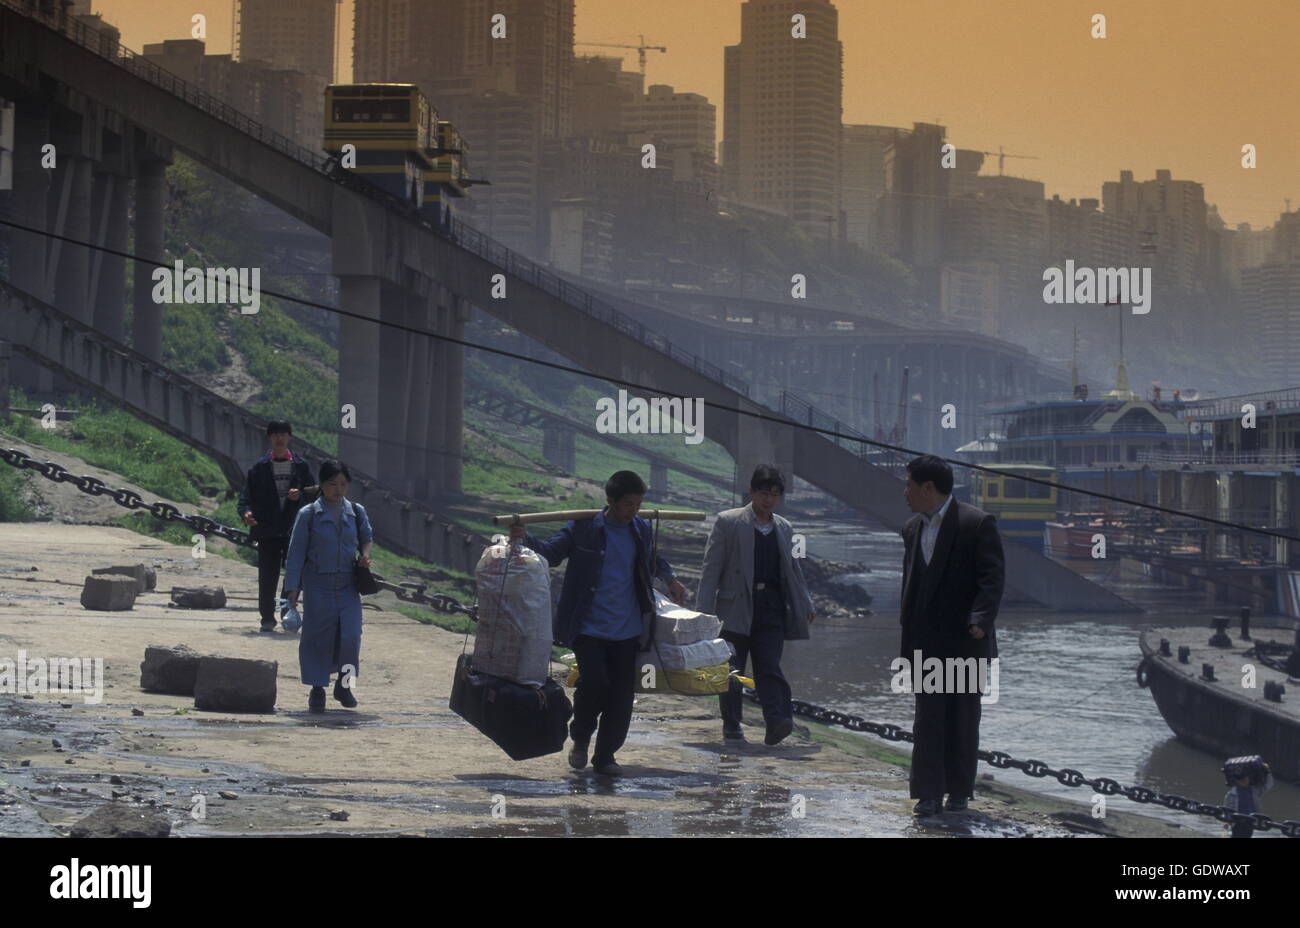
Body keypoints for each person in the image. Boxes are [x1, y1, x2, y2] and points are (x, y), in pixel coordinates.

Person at [510, 470, 687, 777]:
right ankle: (580, 737)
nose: (633, 510)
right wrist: (524, 537)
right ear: (611, 501)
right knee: (595, 683)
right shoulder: (584, 529)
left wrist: (671, 580)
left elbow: (653, 559)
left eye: (638, 504)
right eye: (628, 504)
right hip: (588, 626)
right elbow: (552, 554)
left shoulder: (640, 530)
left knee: (621, 694)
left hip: (628, 628)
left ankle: (605, 756)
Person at [899, 455, 1004, 816]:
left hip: (965, 641)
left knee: (961, 717)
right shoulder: (912, 529)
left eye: (909, 484)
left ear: (928, 488)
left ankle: (959, 792)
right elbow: (910, 587)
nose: (905, 492)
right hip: (926, 641)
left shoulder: (976, 524)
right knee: (927, 717)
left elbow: (992, 579)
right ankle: (928, 794)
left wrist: (980, 619)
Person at [697, 464, 814, 745]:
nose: (768, 500)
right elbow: (711, 570)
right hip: (734, 608)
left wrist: (805, 602)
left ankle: (777, 721)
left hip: (771, 608)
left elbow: (793, 570)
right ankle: (732, 724)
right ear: (751, 492)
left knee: (769, 666)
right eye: (763, 493)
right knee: (733, 671)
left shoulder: (784, 528)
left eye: (774, 494)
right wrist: (703, 613)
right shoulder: (728, 522)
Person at [283, 460, 373, 713]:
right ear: (322, 485)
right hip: (317, 584)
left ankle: (344, 686)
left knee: (351, 636)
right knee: (317, 637)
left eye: (343, 484)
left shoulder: (356, 511)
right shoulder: (308, 514)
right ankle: (317, 689)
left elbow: (367, 538)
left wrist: (365, 555)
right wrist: (293, 588)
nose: (338, 489)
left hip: (347, 584)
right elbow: (296, 553)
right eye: (332, 484)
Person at [237, 421, 314, 632]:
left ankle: (287, 613)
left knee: (293, 575)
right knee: (267, 576)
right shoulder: (259, 468)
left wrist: (301, 495)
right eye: (275, 435)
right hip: (267, 530)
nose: (279, 438)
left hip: (294, 530)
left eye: (283, 434)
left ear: (289, 437)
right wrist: (246, 514)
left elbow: (314, 493)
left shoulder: (301, 466)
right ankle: (267, 618)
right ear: (270, 438)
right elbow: (245, 499)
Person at [1223, 760, 1273, 838]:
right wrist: (1227, 821)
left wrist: (1268, 771)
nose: (1244, 781)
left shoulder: (1254, 790)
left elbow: (1268, 785)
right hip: (1237, 821)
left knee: (1247, 835)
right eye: (1241, 780)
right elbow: (1228, 806)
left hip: (1250, 820)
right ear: (1237, 781)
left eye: (1246, 779)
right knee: (1237, 835)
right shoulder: (1232, 793)